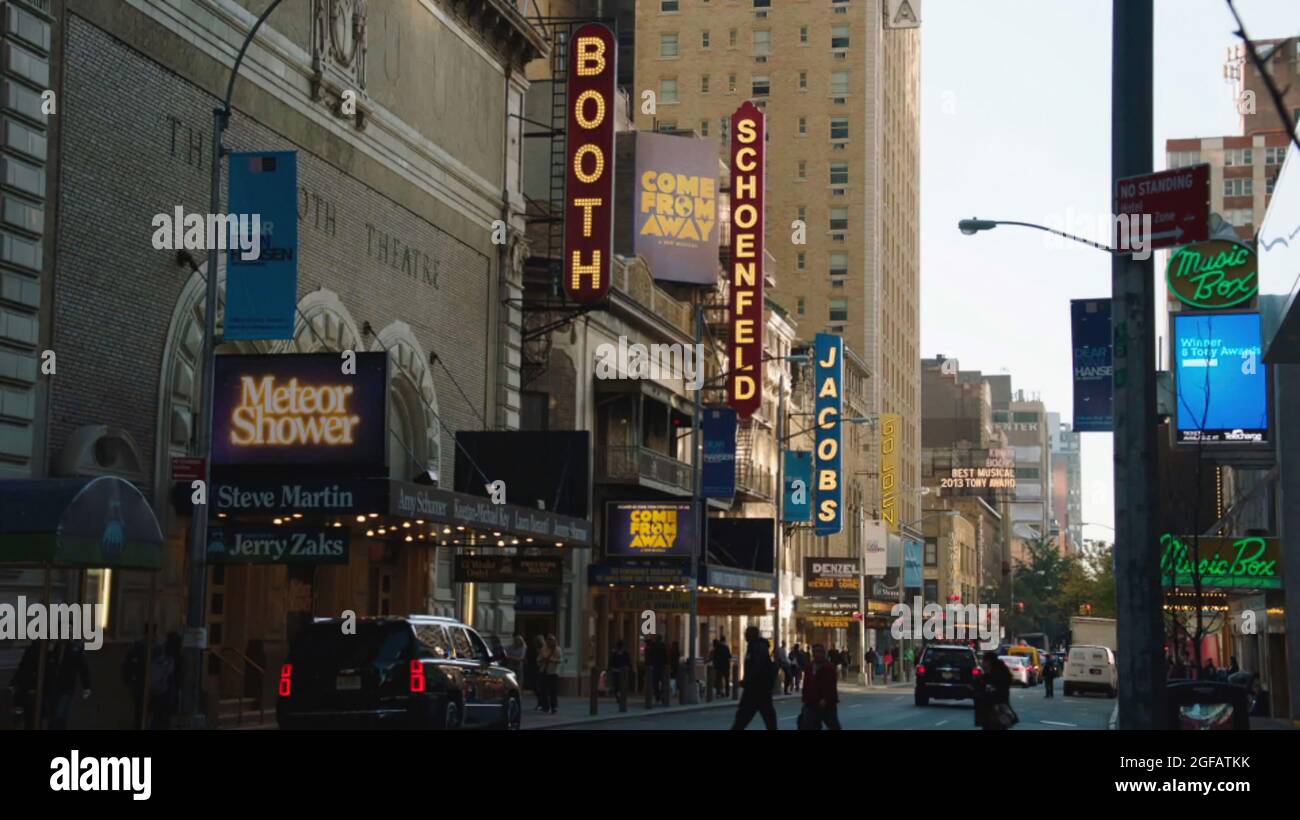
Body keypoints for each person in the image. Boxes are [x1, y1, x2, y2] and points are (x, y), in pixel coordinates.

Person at [730, 626, 777, 730]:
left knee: (764, 717)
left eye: (747, 633)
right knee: (744, 717)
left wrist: (747, 681)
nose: (745, 635)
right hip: (754, 688)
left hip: (758, 688)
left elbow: (757, 666)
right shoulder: (753, 646)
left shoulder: (758, 647)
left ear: (753, 635)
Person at [47, 640, 92, 730]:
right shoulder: (54, 647)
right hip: (53, 687)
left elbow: (83, 667)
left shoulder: (75, 648)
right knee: (54, 715)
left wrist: (86, 686)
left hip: (67, 687)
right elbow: (48, 665)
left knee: (60, 714)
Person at [799, 643, 842, 730]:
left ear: (823, 653)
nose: (817, 654)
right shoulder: (809, 667)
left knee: (833, 725)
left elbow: (831, 685)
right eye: (815, 652)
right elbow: (806, 684)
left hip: (827, 704)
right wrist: (805, 698)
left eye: (819, 652)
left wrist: (826, 698)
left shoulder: (829, 667)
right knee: (808, 724)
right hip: (811, 702)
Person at [974, 651, 1014, 730]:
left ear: (988, 662)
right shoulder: (996, 672)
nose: (982, 663)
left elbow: (991, 691)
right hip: (995, 709)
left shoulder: (994, 675)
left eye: (983, 661)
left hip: (994, 710)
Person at [538, 634, 562, 714]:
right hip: (544, 670)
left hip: (553, 672)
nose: (550, 642)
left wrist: (551, 659)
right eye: (548, 640)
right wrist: (541, 660)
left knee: (553, 691)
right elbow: (539, 658)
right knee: (543, 690)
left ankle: (554, 707)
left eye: (551, 640)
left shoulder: (558, 650)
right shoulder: (544, 649)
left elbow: (560, 660)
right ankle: (545, 706)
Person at [647, 634, 669, 706]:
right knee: (663, 682)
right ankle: (662, 696)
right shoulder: (662, 646)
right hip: (661, 667)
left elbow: (650, 656)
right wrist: (666, 665)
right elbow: (665, 657)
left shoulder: (653, 646)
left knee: (655, 683)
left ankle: (658, 697)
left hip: (655, 666)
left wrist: (650, 664)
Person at [526, 635, 544, 711]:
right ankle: (540, 702)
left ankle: (541, 703)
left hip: (540, 669)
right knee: (534, 686)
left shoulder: (543, 649)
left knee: (539, 686)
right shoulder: (531, 648)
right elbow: (528, 657)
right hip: (532, 668)